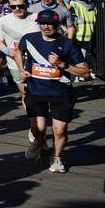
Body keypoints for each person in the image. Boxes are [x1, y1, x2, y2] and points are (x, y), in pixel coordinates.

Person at [17, 10, 90, 173]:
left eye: (50, 23)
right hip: (35, 90)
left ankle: (56, 157)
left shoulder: (67, 44)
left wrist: (63, 65)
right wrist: (21, 69)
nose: (46, 26)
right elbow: (18, 52)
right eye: (42, 23)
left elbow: (85, 72)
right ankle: (38, 142)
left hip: (61, 93)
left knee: (60, 130)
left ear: (57, 25)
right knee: (38, 129)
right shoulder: (29, 39)